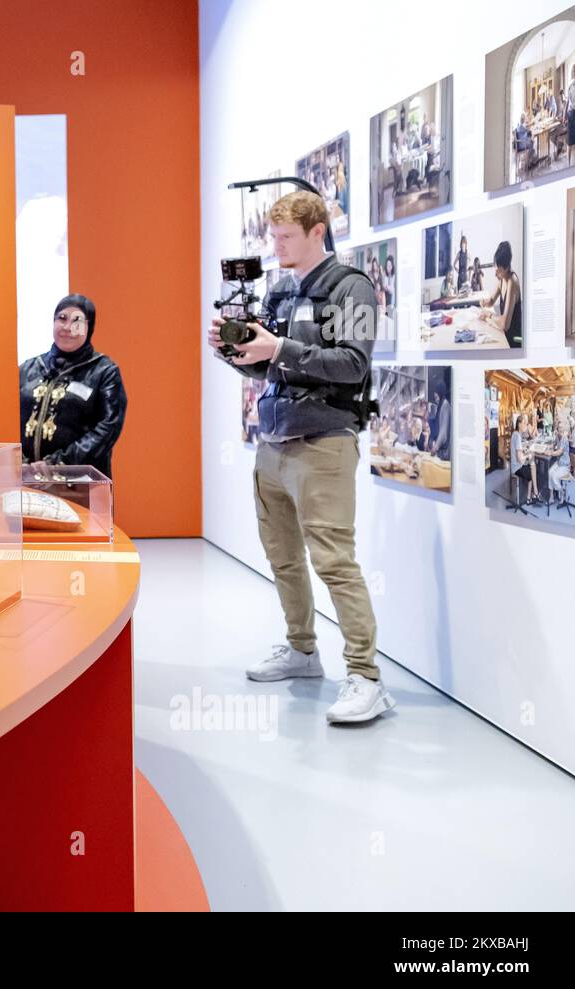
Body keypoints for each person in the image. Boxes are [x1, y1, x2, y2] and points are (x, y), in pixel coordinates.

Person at [207, 190, 393, 724]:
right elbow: (269, 369)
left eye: (286, 237)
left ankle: (364, 676)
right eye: (274, 236)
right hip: (274, 440)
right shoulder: (284, 293)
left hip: (325, 442)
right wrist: (236, 354)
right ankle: (302, 651)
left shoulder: (351, 287)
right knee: (282, 556)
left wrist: (279, 349)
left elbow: (353, 364)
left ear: (317, 232)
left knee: (334, 560)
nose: (277, 246)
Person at [19, 294, 127, 478]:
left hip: (78, 481)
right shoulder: (29, 367)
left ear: (89, 327)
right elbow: (6, 415)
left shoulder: (104, 371)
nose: (68, 327)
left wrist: (59, 463)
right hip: (26, 478)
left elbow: (107, 428)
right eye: (62, 319)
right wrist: (20, 461)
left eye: (77, 321)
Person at [478, 241, 523, 348]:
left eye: (498, 271)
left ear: (507, 268)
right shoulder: (502, 278)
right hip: (504, 334)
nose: (495, 274)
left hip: (512, 341)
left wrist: (488, 315)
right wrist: (484, 302)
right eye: (495, 268)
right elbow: (492, 301)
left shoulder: (512, 282)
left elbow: (505, 324)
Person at [428, 383, 451, 462]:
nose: (436, 400)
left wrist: (436, 447)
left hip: (445, 451)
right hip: (441, 450)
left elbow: (443, 431)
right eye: (435, 398)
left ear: (440, 393)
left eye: (437, 397)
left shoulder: (445, 405)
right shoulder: (440, 406)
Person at [514, 113, 533, 181]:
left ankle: (529, 161)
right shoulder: (522, 127)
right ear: (524, 119)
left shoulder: (519, 126)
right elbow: (529, 131)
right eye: (525, 118)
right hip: (522, 145)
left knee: (531, 141)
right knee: (531, 144)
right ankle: (528, 164)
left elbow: (526, 130)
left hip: (520, 143)